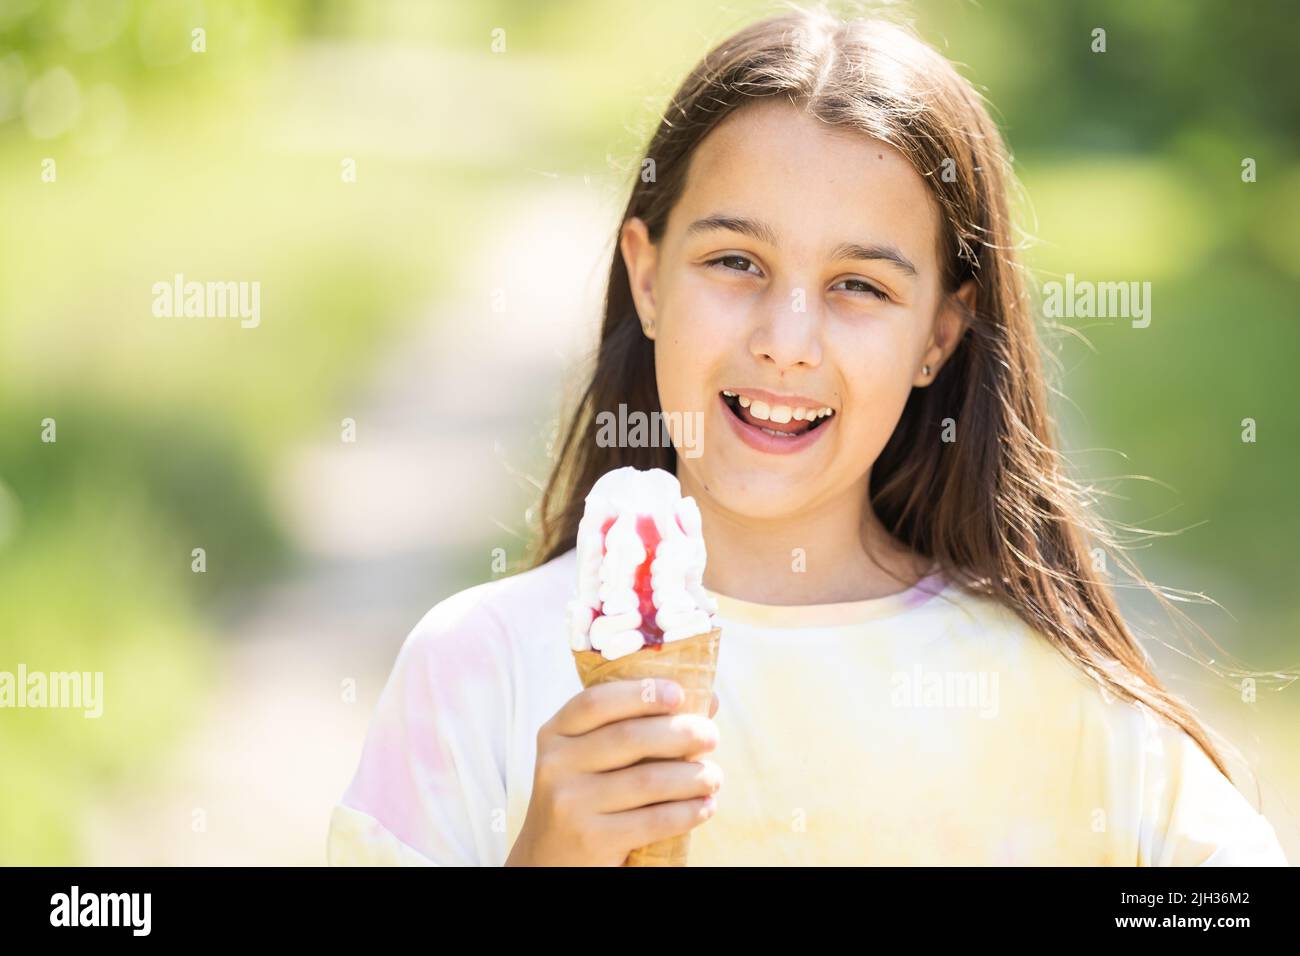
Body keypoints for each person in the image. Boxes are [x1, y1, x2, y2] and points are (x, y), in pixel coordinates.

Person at [327, 7, 1289, 866]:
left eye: (859, 286)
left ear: (939, 337)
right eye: (736, 261)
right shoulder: (477, 670)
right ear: (648, 278)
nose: (786, 342)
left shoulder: (1070, 713)